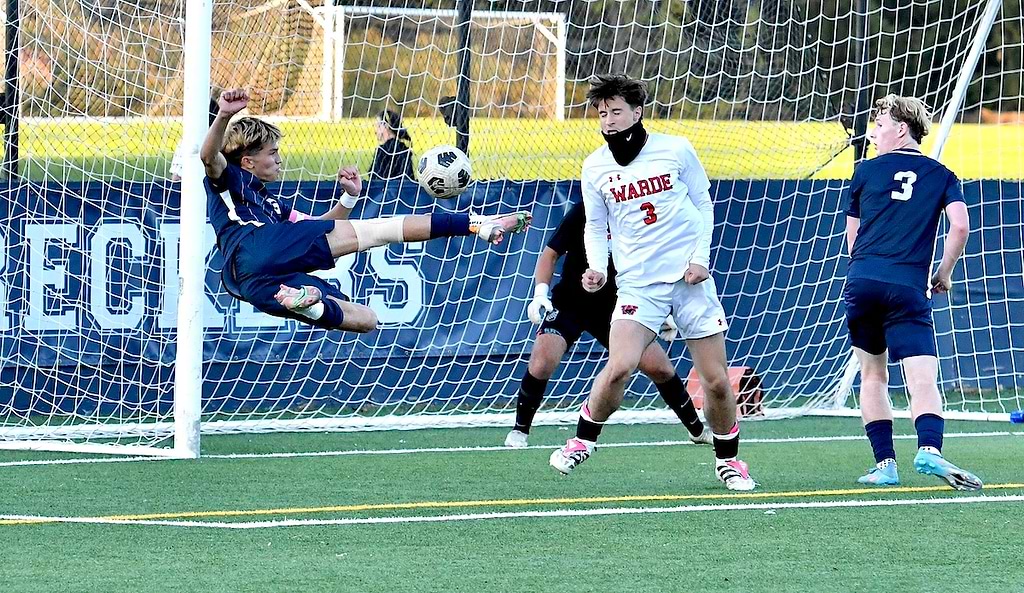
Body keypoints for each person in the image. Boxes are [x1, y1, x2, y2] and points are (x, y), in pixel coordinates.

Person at [548, 74, 755, 491]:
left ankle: (729, 461)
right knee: (620, 364)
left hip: (689, 281)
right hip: (638, 284)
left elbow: (703, 205)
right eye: (602, 113)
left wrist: (700, 260)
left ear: (637, 111)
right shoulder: (595, 166)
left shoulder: (675, 149)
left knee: (715, 380)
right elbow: (595, 226)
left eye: (616, 111)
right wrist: (598, 268)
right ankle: (582, 440)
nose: (607, 121)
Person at [200, 88, 531, 332]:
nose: (279, 159)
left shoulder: (271, 204)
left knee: (366, 319)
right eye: (273, 153)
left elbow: (322, 228)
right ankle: (477, 224)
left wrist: (348, 199)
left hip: (252, 281)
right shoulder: (229, 177)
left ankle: (310, 306)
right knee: (378, 231)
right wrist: (225, 115)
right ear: (247, 161)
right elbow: (208, 157)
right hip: (252, 247)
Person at [844, 94, 981, 491]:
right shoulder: (942, 175)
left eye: (880, 125)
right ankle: (930, 450)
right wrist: (943, 273)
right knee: (921, 380)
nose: (874, 133)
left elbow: (853, 239)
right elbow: (960, 227)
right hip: (908, 286)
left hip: (864, 281)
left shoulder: (866, 172)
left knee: (872, 376)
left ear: (901, 129)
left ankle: (885, 465)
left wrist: (868, 270)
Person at [505, 201, 711, 448]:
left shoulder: (641, 217)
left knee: (660, 368)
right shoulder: (586, 210)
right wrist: (540, 293)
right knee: (542, 359)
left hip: (617, 307)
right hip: (571, 302)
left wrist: (659, 312)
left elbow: (653, 266)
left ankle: (697, 430)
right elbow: (550, 253)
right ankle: (520, 430)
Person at [370, 109, 415, 180]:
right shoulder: (404, 148)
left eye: (378, 126)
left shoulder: (382, 151)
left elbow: (375, 179)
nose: (376, 130)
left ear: (386, 126)